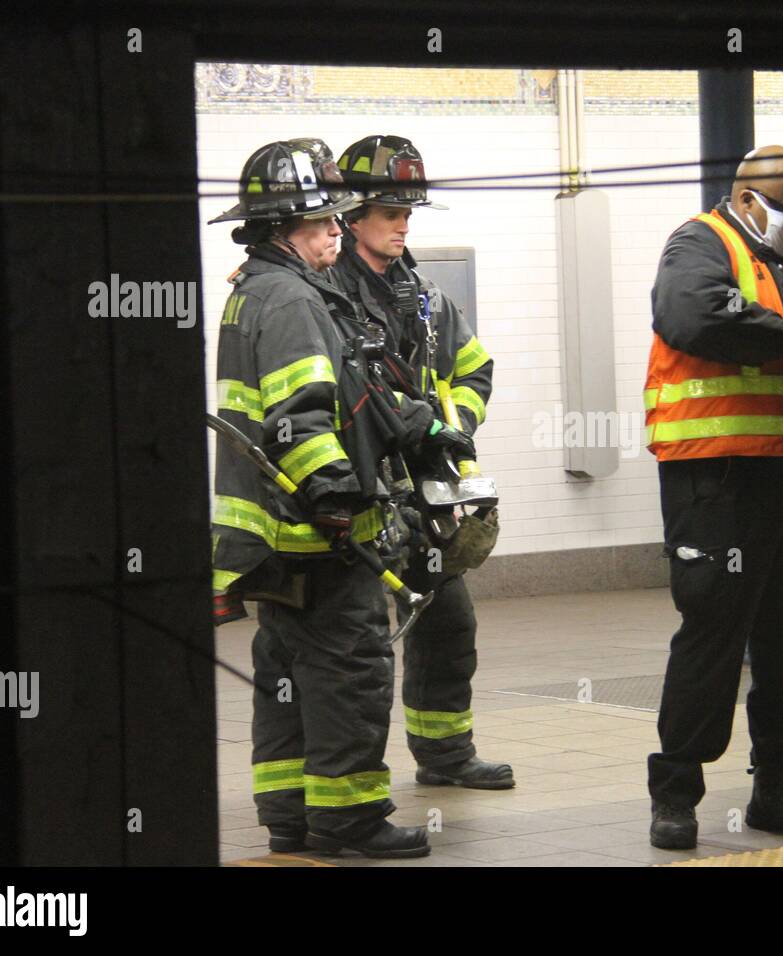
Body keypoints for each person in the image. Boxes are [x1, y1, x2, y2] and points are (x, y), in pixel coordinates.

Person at [209, 138, 469, 858]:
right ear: (282, 230)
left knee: (287, 674)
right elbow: (302, 415)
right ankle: (350, 821)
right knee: (349, 669)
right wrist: (338, 500)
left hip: (276, 534)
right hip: (318, 532)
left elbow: (355, 395)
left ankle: (290, 814)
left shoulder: (260, 289)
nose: (336, 232)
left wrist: (420, 427)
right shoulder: (292, 299)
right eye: (323, 222)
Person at [644, 145, 783, 849]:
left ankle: (781, 788)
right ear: (744, 199)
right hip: (718, 478)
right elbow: (694, 317)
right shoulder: (698, 245)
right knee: (712, 632)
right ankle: (675, 795)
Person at [331, 134, 513, 790]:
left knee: (448, 618)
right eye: (389, 212)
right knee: (348, 644)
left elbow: (474, 368)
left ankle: (446, 758)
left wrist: (453, 426)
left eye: (409, 212)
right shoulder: (323, 297)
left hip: (424, 493)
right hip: (357, 492)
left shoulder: (430, 300)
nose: (403, 223)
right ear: (351, 217)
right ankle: (336, 785)